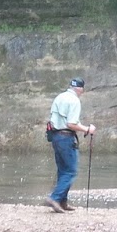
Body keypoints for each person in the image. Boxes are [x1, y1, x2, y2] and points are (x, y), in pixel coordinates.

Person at [44, 78, 95, 213]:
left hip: (55, 136)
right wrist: (87, 129)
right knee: (70, 171)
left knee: (62, 170)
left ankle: (62, 201)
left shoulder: (59, 97)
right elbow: (71, 124)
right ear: (81, 89)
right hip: (66, 137)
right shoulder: (74, 101)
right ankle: (54, 198)